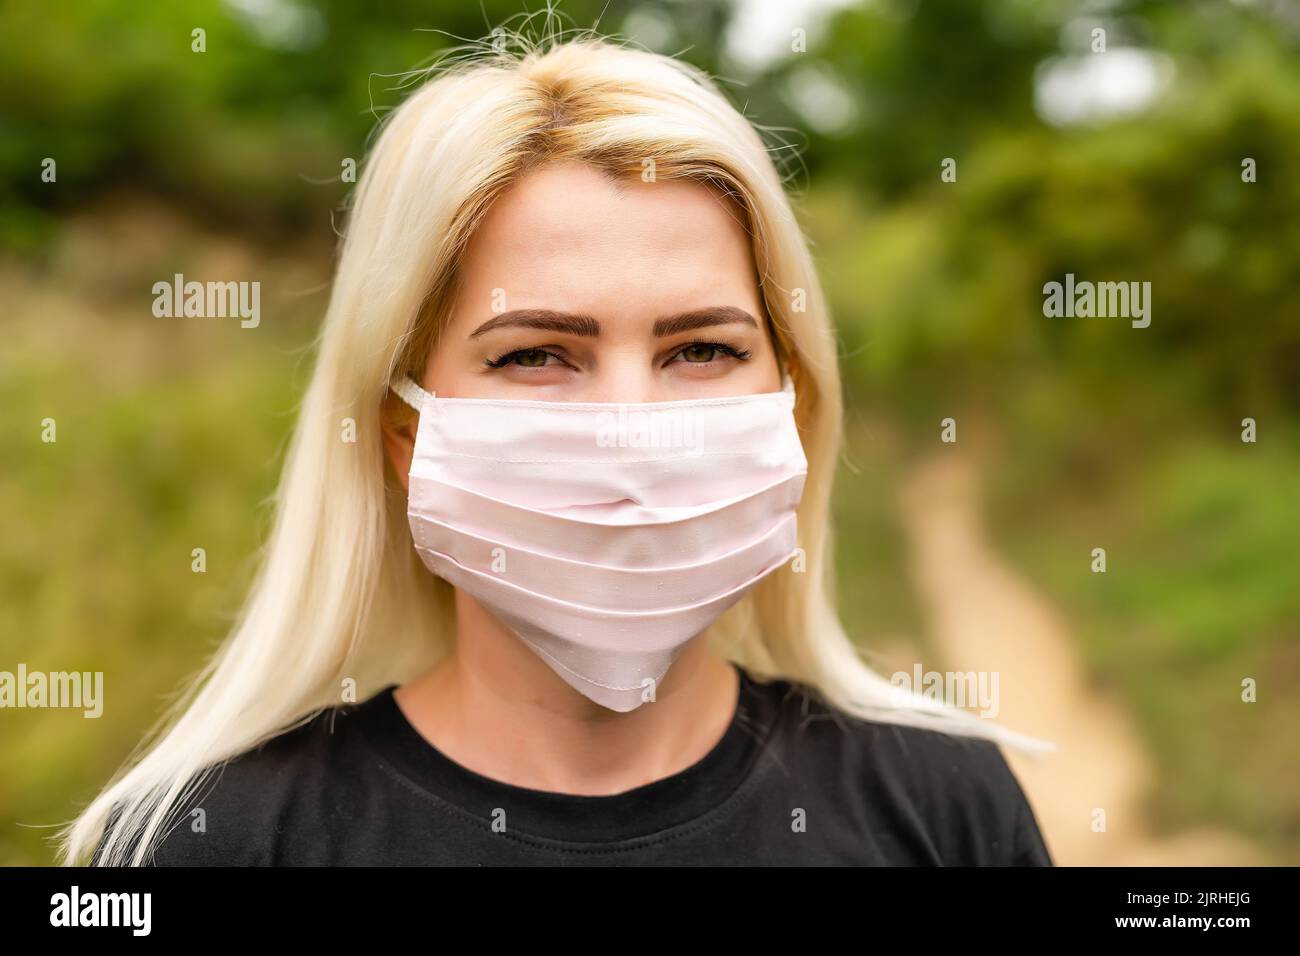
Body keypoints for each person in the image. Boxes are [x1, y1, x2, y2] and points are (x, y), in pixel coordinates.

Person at [68, 26, 1053, 867]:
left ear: (790, 401)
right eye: (537, 353)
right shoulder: (205, 842)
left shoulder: (943, 807)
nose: (629, 428)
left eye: (702, 347)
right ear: (405, 433)